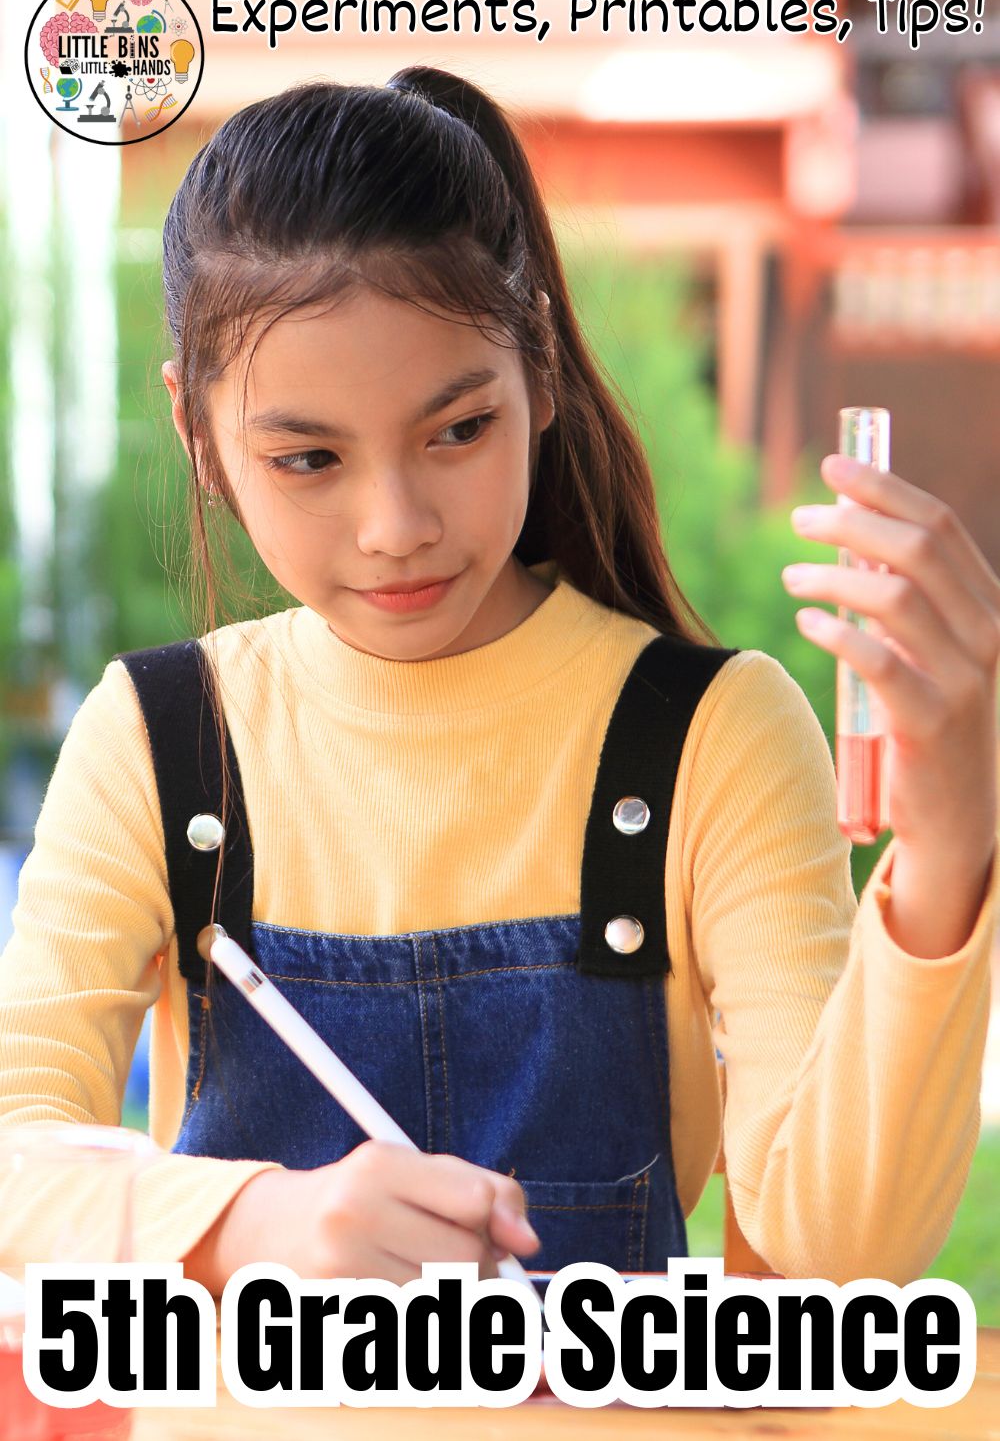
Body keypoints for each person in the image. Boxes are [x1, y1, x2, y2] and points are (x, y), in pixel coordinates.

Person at [1, 67, 997, 1295]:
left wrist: (948, 847)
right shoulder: (160, 741)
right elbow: (14, 1154)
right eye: (308, 457)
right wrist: (250, 1224)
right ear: (198, 436)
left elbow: (834, 1261)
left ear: (540, 369)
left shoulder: (711, 735)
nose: (397, 526)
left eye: (458, 430)